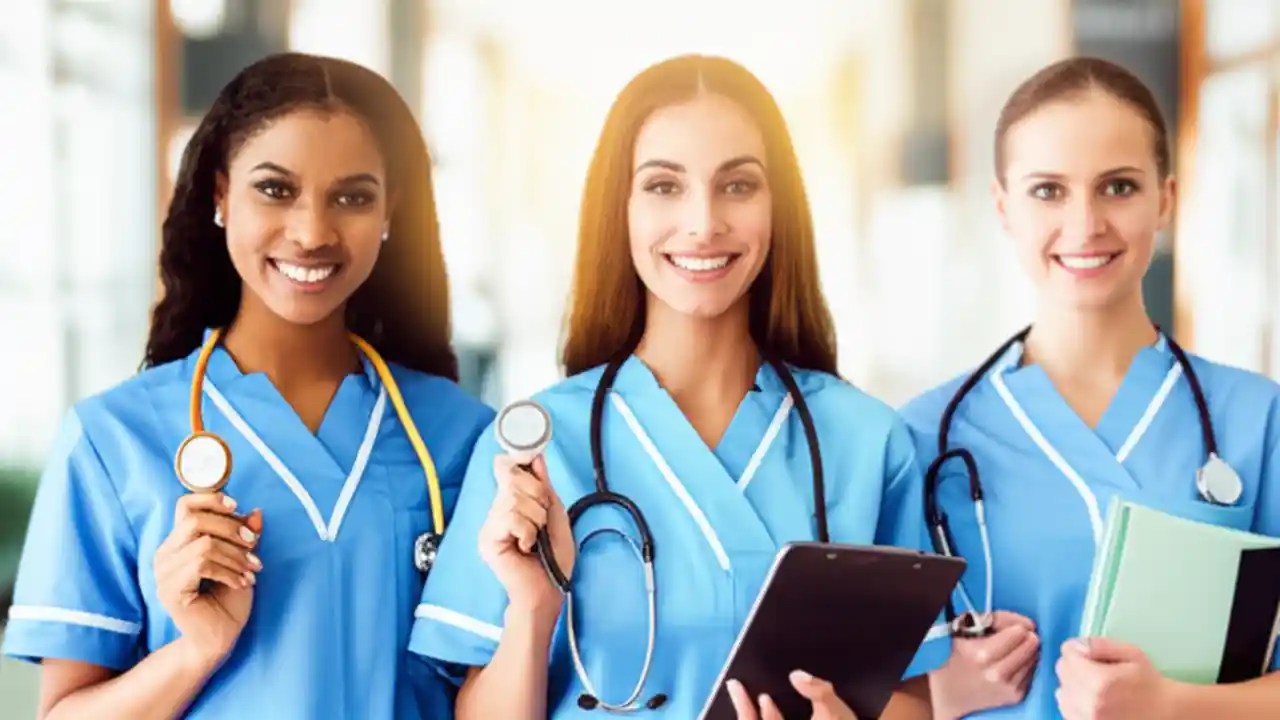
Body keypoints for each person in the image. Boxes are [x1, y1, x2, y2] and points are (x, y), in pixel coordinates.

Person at [408, 54, 946, 720]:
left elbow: (910, 700)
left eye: (738, 185)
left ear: (779, 206)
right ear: (620, 208)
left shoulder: (866, 441)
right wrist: (533, 605)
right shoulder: (537, 451)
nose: (703, 222)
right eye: (664, 186)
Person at [1, 52, 493, 719]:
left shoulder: (461, 438)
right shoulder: (111, 440)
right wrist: (195, 649)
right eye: (275, 189)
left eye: (352, 197)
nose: (312, 232)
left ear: (390, 210)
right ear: (220, 195)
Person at [902, 56, 1280, 720]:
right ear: (1003, 207)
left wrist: (1172, 705)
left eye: (1118, 187)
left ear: (1166, 200)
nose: (1085, 225)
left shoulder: (1258, 421)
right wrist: (939, 696)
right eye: (1048, 190)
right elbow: (862, 688)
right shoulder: (921, 439)